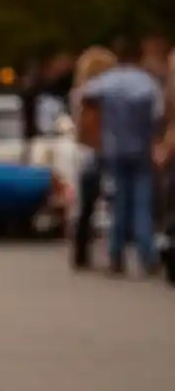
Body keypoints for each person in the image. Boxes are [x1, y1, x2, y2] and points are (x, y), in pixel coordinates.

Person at [79, 36, 166, 276]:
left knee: (119, 203)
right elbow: (158, 115)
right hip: (140, 147)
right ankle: (147, 255)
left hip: (114, 147)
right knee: (141, 203)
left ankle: (116, 256)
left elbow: (85, 97)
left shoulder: (108, 82)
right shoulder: (147, 84)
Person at [69, 46, 117, 269]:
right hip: (104, 148)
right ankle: (116, 250)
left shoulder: (79, 91)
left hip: (82, 151)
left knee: (86, 205)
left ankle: (80, 250)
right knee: (114, 200)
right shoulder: (104, 94)